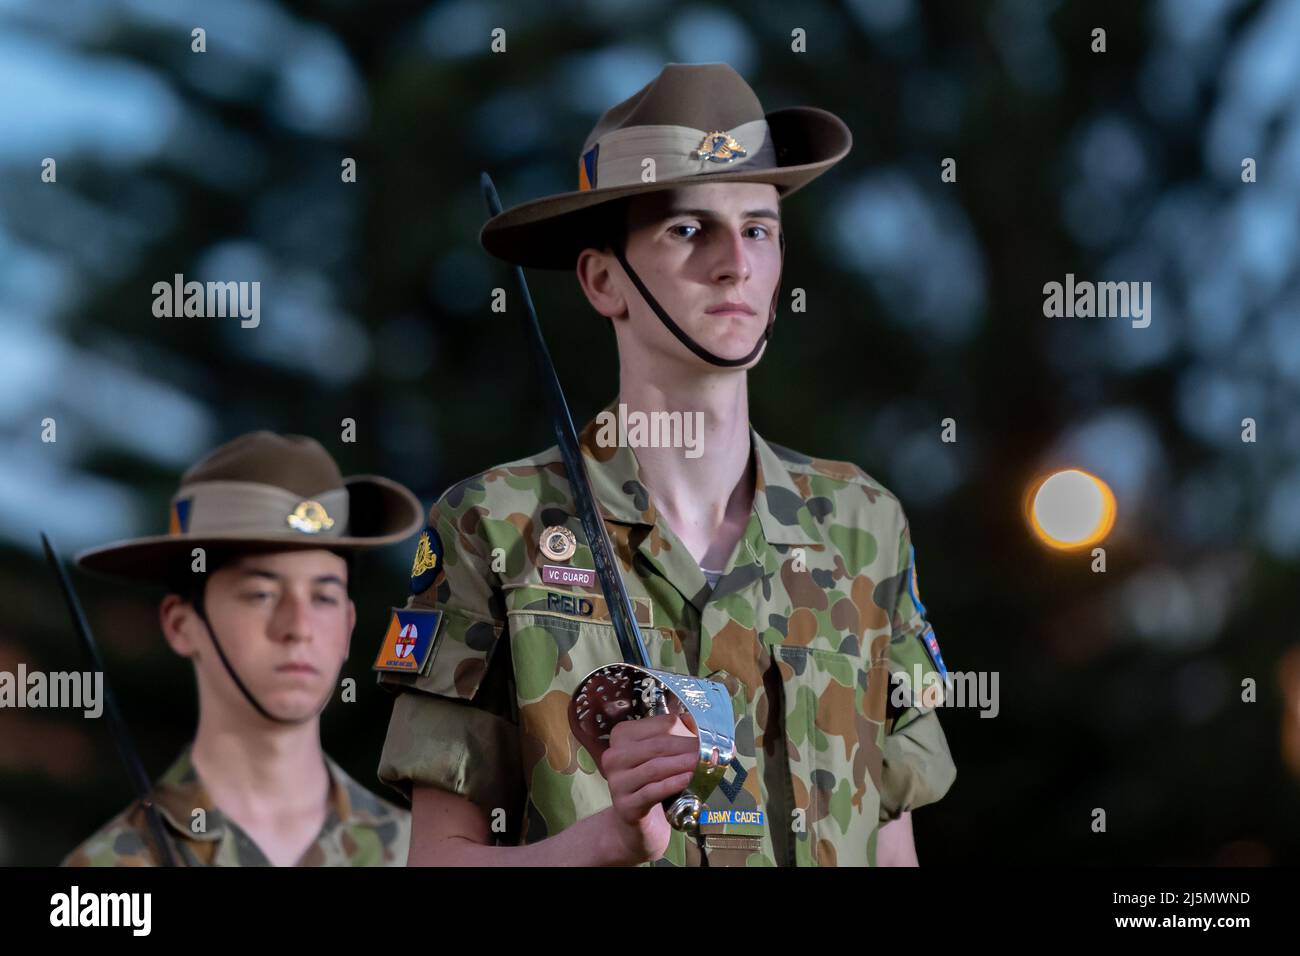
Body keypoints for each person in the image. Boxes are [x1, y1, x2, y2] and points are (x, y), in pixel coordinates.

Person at [377, 62, 956, 867]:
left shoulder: (863, 525)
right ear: (603, 280)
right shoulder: (495, 526)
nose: (734, 264)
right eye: (688, 230)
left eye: (757, 229)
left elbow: (894, 853)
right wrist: (595, 845)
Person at [62, 431, 423, 866]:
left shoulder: (417, 854)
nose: (298, 628)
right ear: (182, 624)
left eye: (324, 597)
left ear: (348, 625)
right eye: (260, 595)